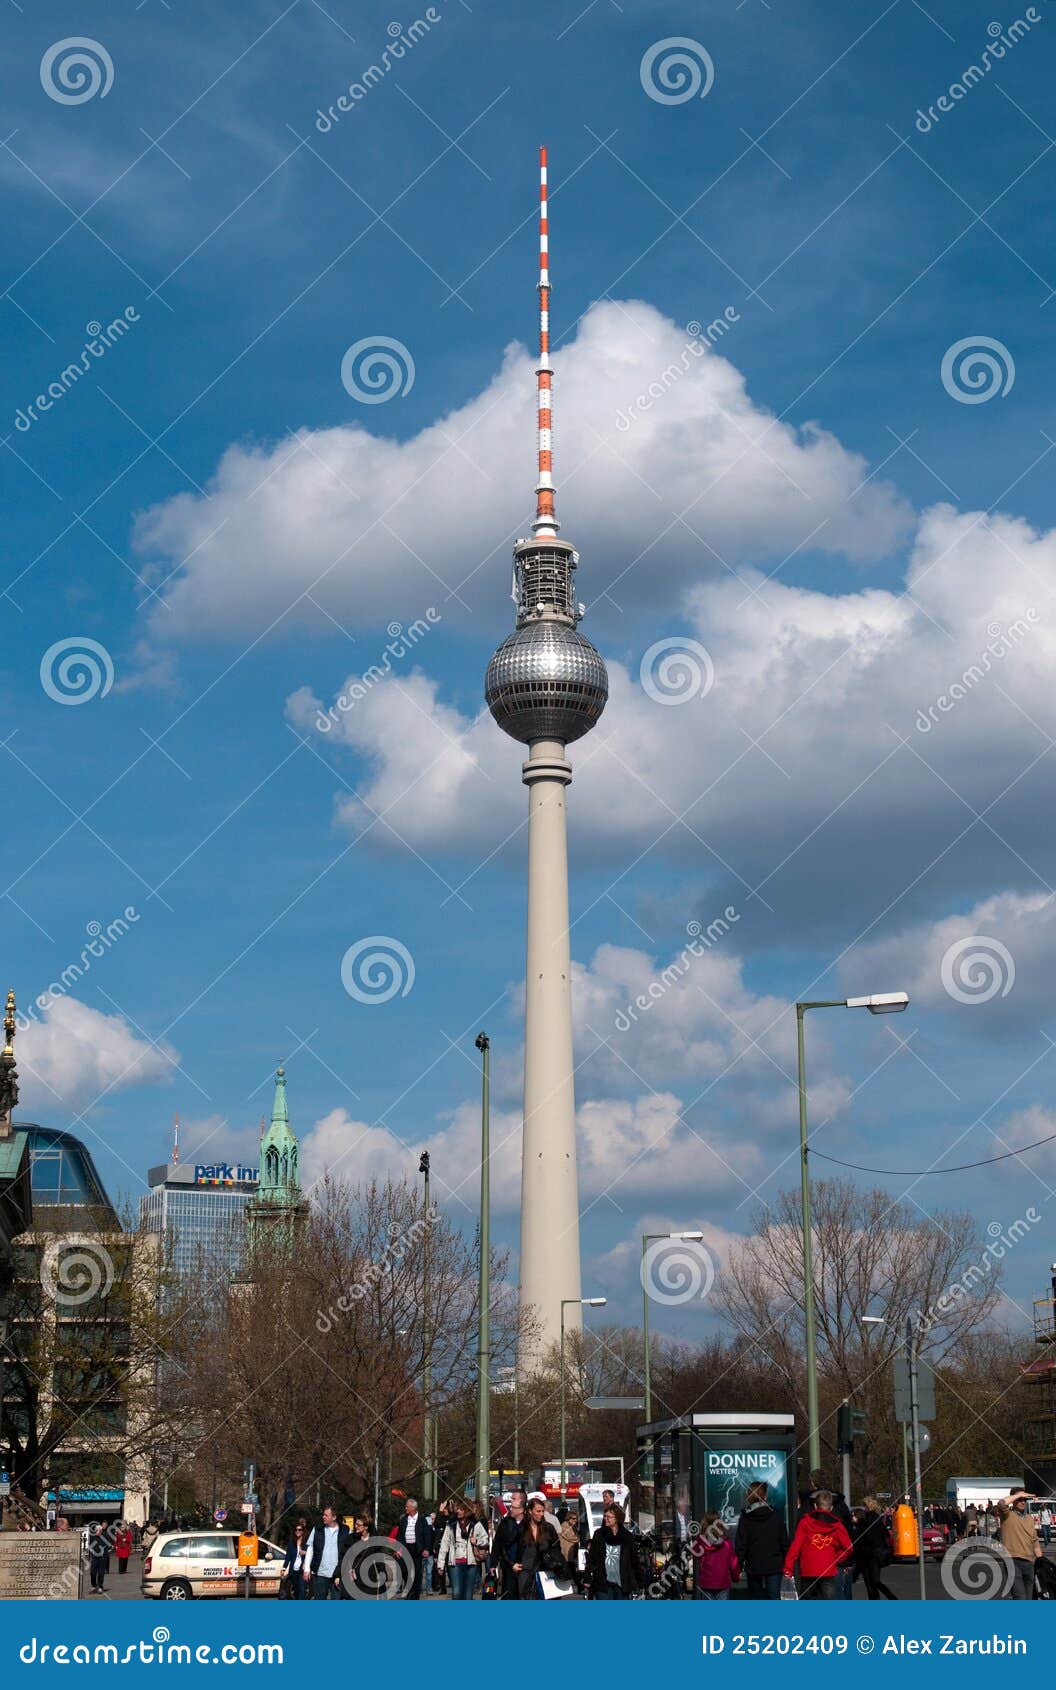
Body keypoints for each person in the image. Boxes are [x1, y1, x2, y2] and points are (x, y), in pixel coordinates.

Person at [784, 1489, 852, 1600]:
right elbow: (848, 1547)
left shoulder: (805, 1522)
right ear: (831, 1508)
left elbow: (795, 1547)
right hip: (828, 1570)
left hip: (808, 1570)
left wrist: (788, 1568)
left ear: (815, 1506)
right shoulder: (837, 1525)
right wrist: (836, 1558)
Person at [735, 1480, 789, 1601]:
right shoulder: (775, 1515)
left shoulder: (745, 1518)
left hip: (753, 1565)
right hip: (774, 1564)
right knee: (774, 1597)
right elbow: (784, 1541)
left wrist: (738, 1565)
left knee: (755, 1598)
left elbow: (741, 1544)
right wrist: (788, 1563)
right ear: (765, 1496)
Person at [586, 1503, 641, 1600]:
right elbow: (592, 1558)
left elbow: (634, 1560)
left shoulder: (627, 1536)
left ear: (617, 1518)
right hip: (603, 1582)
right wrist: (587, 1577)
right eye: (605, 1516)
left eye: (609, 1517)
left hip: (622, 1583)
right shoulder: (599, 1534)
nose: (605, 1519)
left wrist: (639, 1579)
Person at [512, 1495, 563, 1600]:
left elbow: (557, 1548)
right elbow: (509, 1547)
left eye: (542, 1511)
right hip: (525, 1572)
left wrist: (553, 1562)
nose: (541, 1514)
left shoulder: (549, 1528)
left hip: (545, 1572)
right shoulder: (522, 1528)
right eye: (538, 1511)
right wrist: (512, 1564)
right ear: (530, 1511)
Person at [437, 1499, 489, 1599]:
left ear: (467, 1510)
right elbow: (444, 1544)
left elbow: (485, 1540)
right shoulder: (451, 1524)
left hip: (471, 1564)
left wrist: (477, 1541)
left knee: (468, 1596)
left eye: (462, 1509)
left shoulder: (475, 1524)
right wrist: (440, 1565)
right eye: (458, 1509)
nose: (458, 1511)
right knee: (456, 1593)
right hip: (455, 1564)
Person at [999, 1492, 1042, 1600]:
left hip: (1029, 1562)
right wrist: (1019, 1494)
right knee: (1020, 1597)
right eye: (1020, 1500)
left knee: (1029, 1598)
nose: (1023, 1502)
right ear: (1013, 1501)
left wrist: (1041, 1560)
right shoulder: (1007, 1515)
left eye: (1024, 1500)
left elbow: (1034, 1541)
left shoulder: (1029, 1519)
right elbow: (1001, 1504)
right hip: (1012, 1561)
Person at [303, 1504, 352, 1599]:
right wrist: (307, 1569)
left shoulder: (345, 1530)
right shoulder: (317, 1529)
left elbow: (350, 1551)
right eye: (323, 1515)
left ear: (334, 1517)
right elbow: (310, 1548)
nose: (323, 1517)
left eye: (326, 1515)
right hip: (320, 1574)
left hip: (337, 1575)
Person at [852, 1496, 897, 1601]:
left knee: (870, 1583)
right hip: (877, 1554)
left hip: (867, 1554)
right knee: (875, 1581)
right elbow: (885, 1534)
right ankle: (890, 1597)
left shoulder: (866, 1519)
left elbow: (865, 1536)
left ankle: (889, 1598)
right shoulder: (877, 1518)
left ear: (867, 1506)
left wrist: (858, 1523)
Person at [693, 1514, 740, 1600]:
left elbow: (695, 1553)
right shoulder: (727, 1544)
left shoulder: (701, 1543)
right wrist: (736, 1577)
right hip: (723, 1584)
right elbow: (733, 1563)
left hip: (706, 1584)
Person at [491, 1489, 526, 1600]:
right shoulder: (506, 1522)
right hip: (508, 1566)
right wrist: (493, 1563)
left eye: (514, 1499)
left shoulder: (529, 1523)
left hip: (526, 1568)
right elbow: (498, 1543)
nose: (511, 1501)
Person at [395, 1496, 432, 1599]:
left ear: (413, 1508)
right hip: (406, 1548)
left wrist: (426, 1549)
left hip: (417, 1549)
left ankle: (415, 1596)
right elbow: (399, 1536)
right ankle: (409, 1593)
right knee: (406, 1571)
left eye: (407, 1507)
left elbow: (427, 1535)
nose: (405, 1508)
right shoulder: (403, 1519)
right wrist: (398, 1549)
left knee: (417, 1573)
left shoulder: (422, 1519)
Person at [281, 1518, 308, 1599]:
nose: (297, 1531)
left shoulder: (306, 1543)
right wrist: (284, 1568)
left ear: (303, 1531)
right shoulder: (291, 1543)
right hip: (293, 1570)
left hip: (302, 1571)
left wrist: (305, 1553)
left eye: (299, 1530)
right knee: (296, 1591)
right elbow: (288, 1557)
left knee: (302, 1590)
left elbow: (312, 1554)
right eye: (296, 1530)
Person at [88, 1523, 110, 1593]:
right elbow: (90, 1546)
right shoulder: (92, 1537)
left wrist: (104, 1551)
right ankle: (94, 1586)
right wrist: (92, 1551)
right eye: (95, 1530)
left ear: (100, 1531)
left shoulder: (105, 1536)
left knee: (101, 1572)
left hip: (103, 1557)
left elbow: (109, 1546)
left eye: (97, 1530)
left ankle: (100, 1586)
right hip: (95, 1557)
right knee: (92, 1572)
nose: (96, 1531)